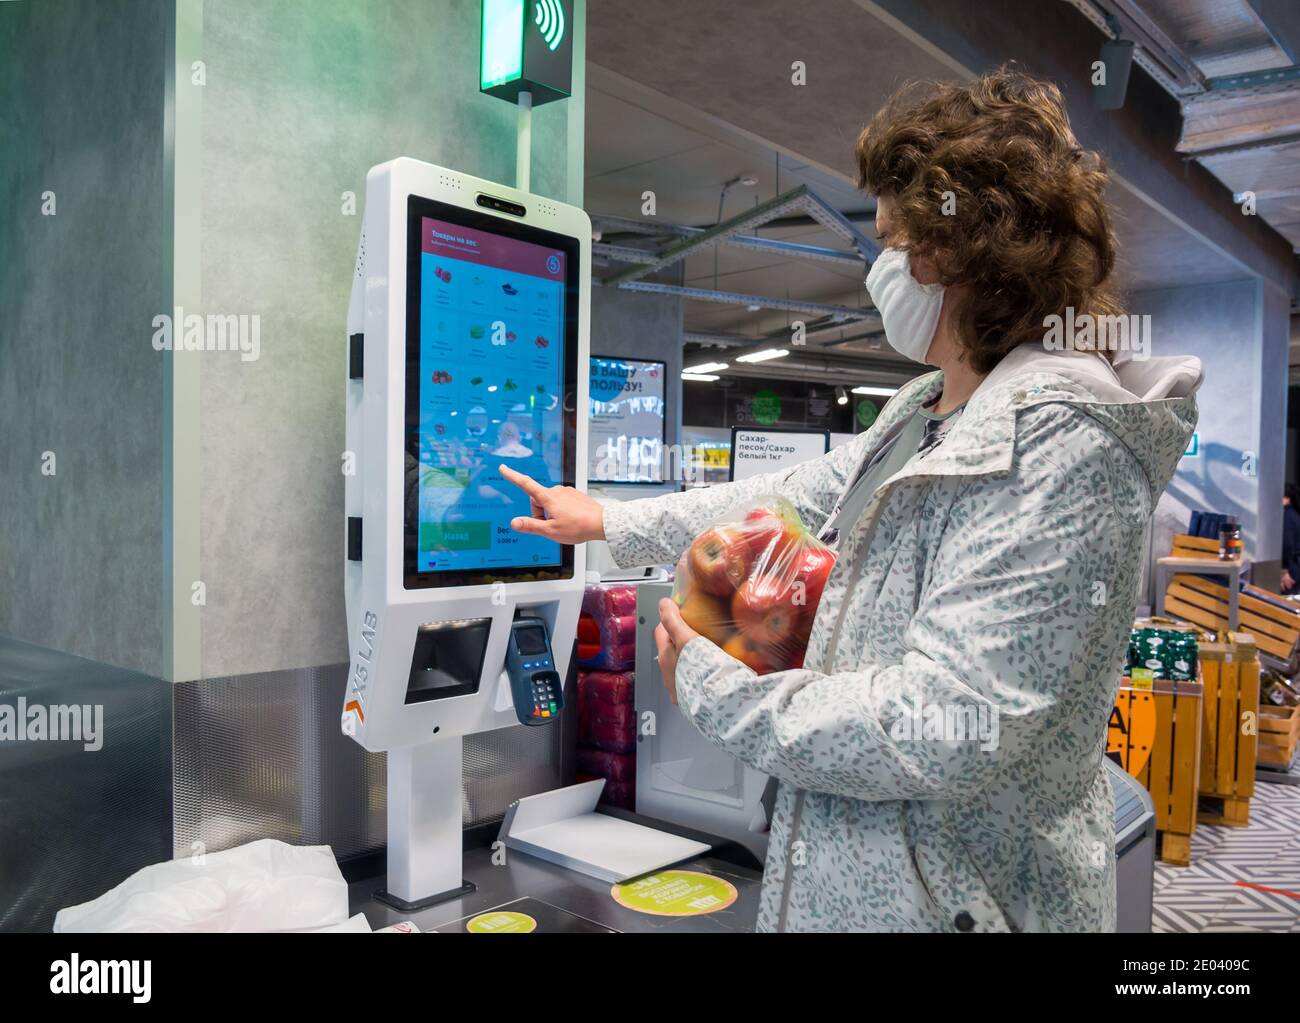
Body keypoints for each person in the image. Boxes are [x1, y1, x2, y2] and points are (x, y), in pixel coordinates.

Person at [502, 68, 1201, 933]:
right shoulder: (931, 405)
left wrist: (717, 691)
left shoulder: (1067, 451)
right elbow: (792, 494)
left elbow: (946, 724)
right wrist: (610, 519)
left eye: (891, 238)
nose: (880, 267)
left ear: (960, 253)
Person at [1282, 484, 1300, 594]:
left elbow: (1287, 546)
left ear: (1287, 499)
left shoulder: (1287, 518)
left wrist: (1284, 570)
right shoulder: (1295, 516)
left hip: (1290, 570)